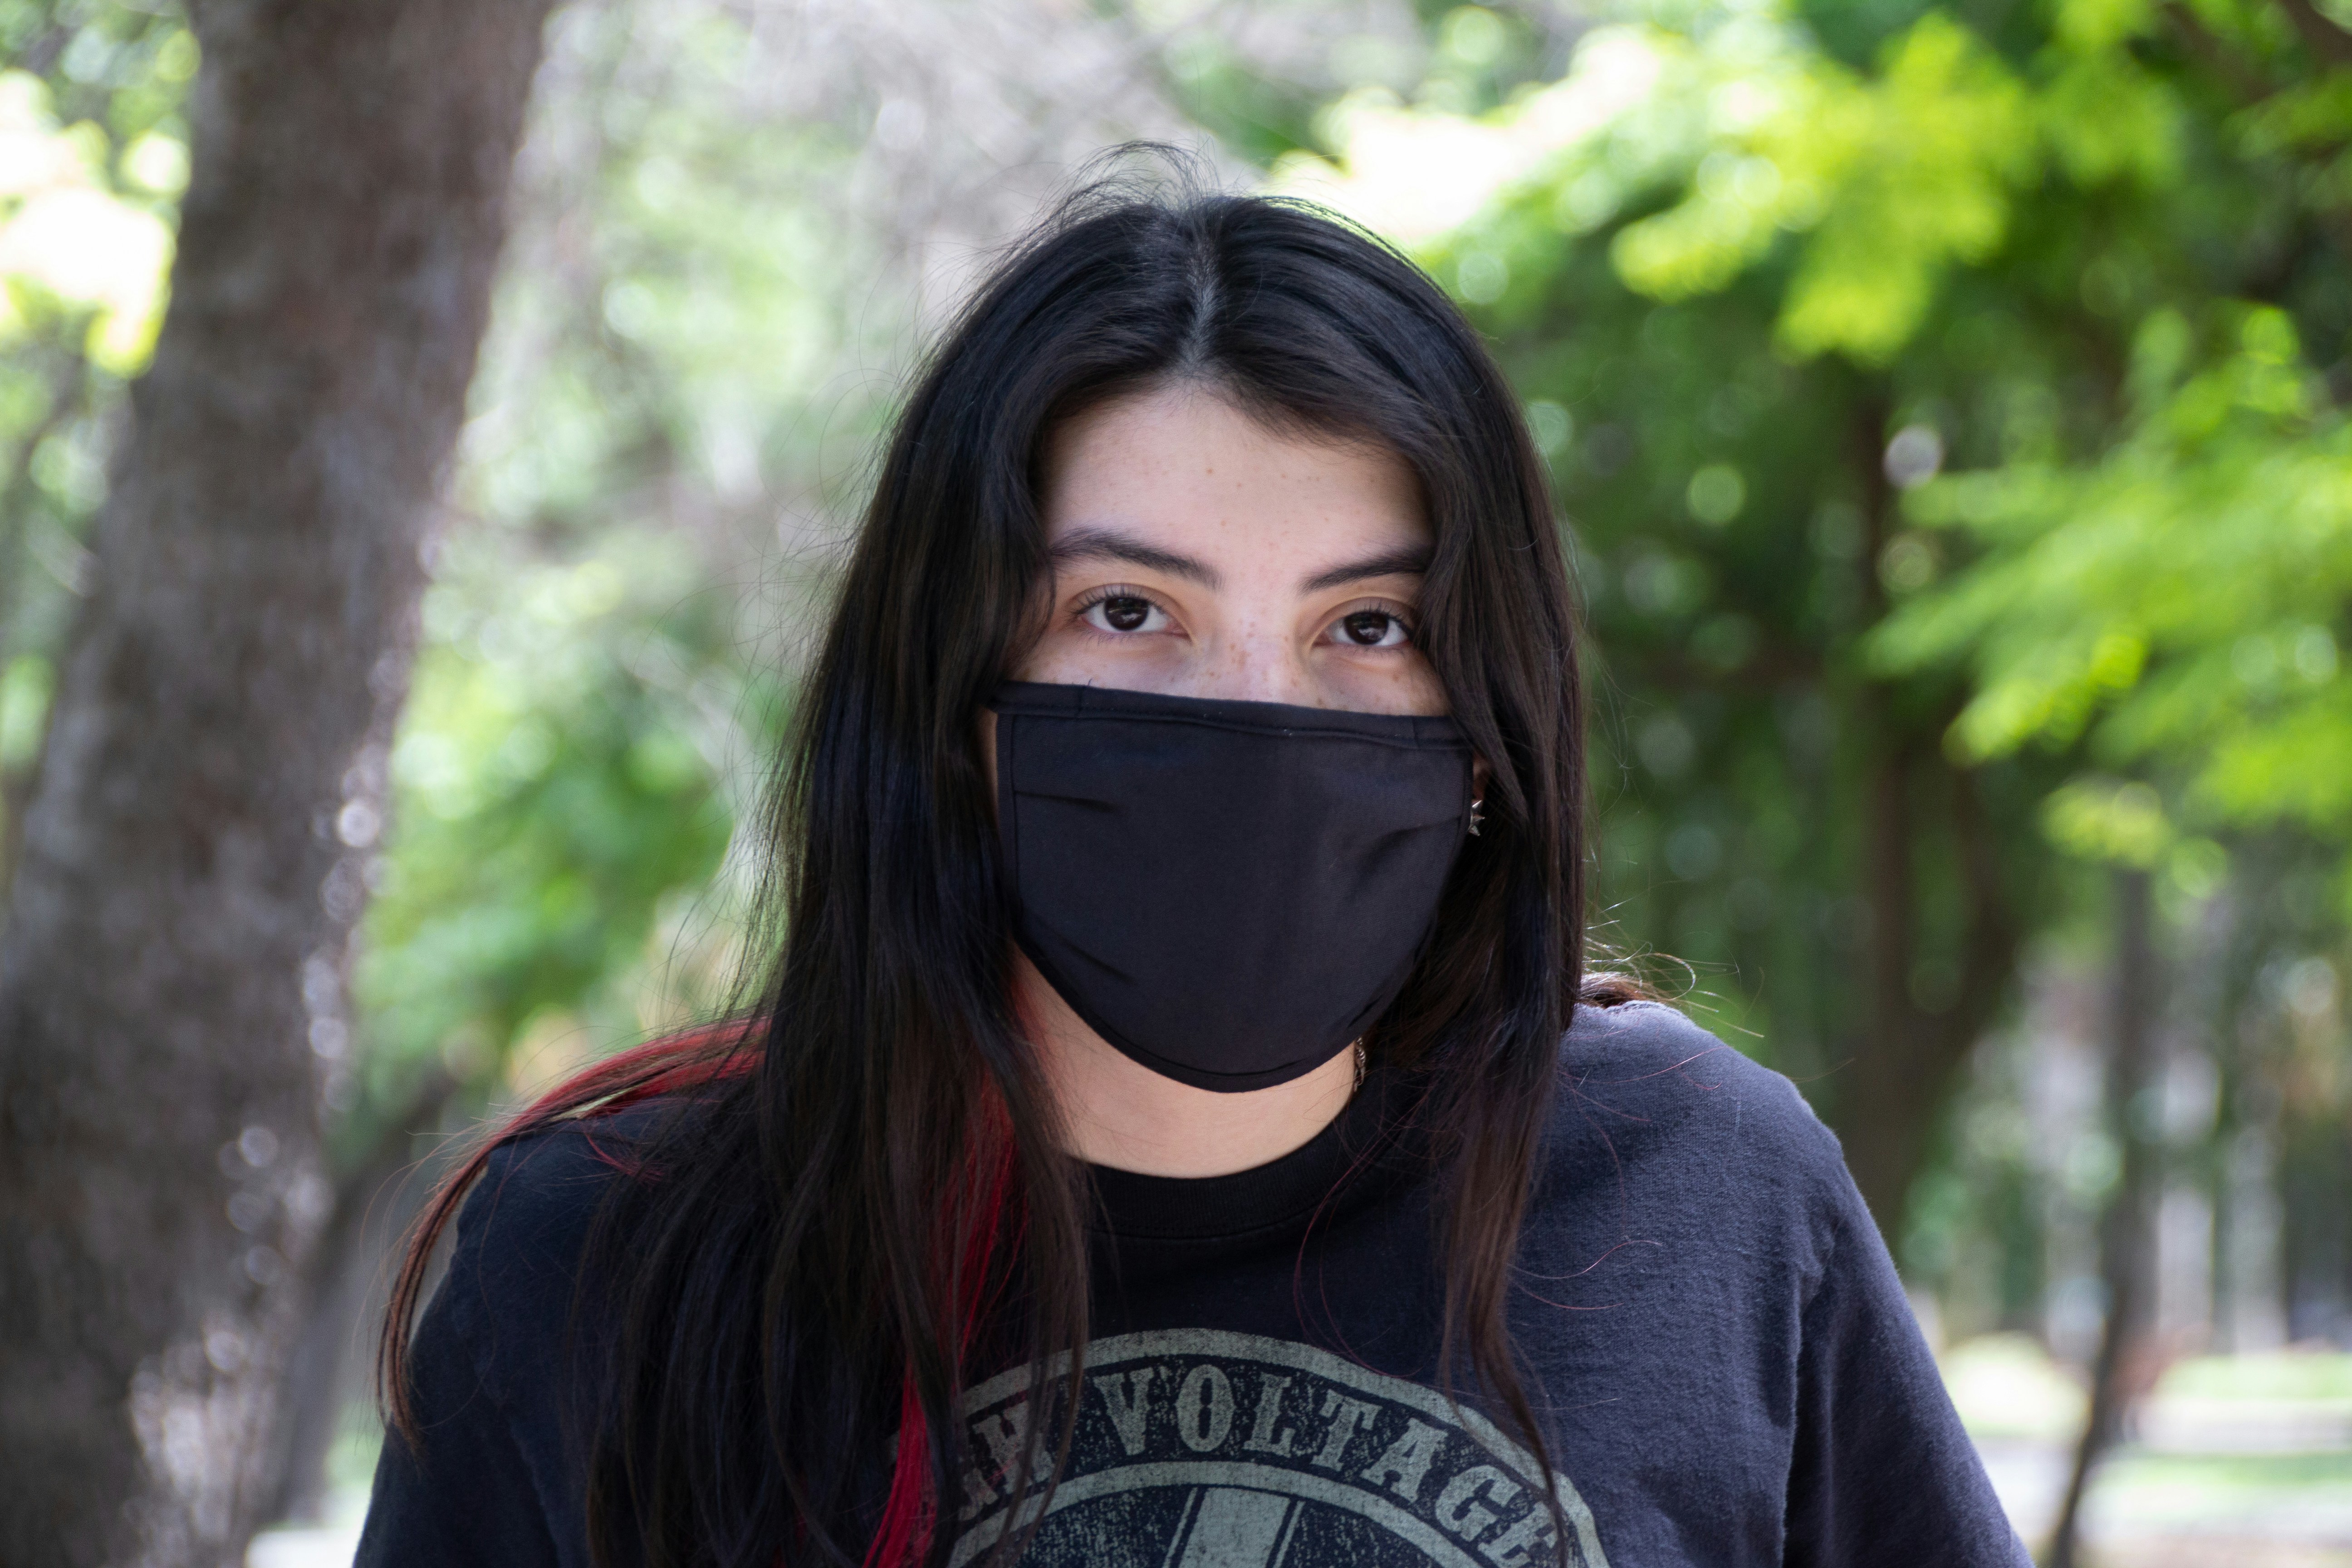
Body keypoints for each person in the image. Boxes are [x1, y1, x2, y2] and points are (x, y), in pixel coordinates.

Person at [359, 174, 2027, 1568]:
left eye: (1365, 628)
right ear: (954, 701)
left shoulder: (1702, 1196)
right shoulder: (600, 1263)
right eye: (1130, 613)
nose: (1253, 719)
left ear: (1486, 726)